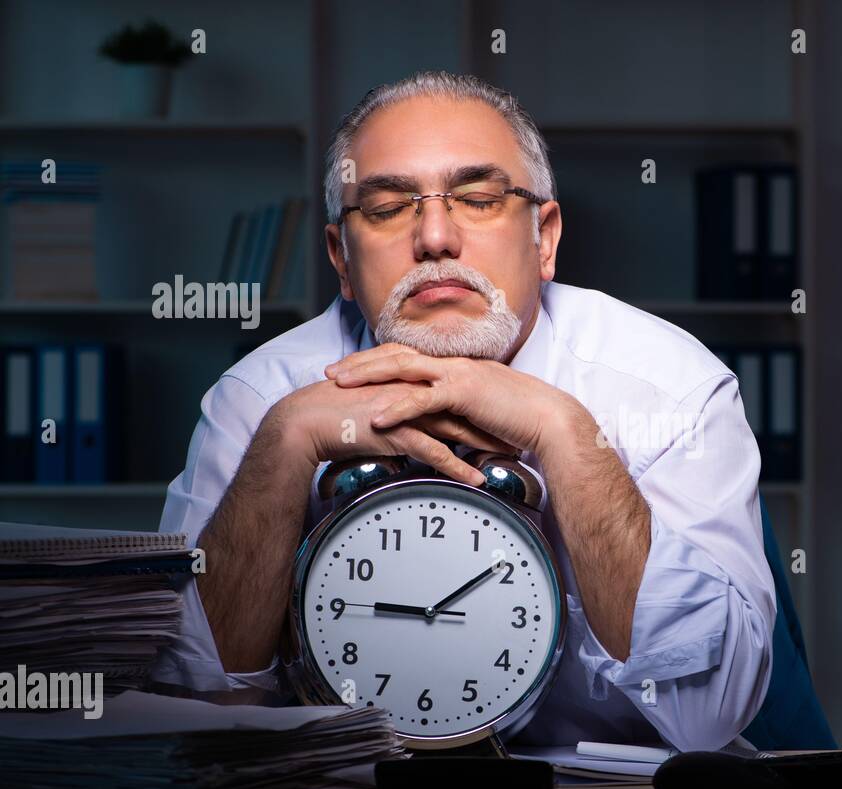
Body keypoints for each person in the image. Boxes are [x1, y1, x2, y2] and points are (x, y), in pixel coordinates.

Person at [158, 70, 775, 753]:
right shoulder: (257, 399)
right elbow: (191, 713)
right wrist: (282, 449)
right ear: (339, 256)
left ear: (544, 238)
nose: (435, 235)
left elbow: (713, 711)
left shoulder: (669, 387)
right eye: (388, 206)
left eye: (478, 198)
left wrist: (567, 436)